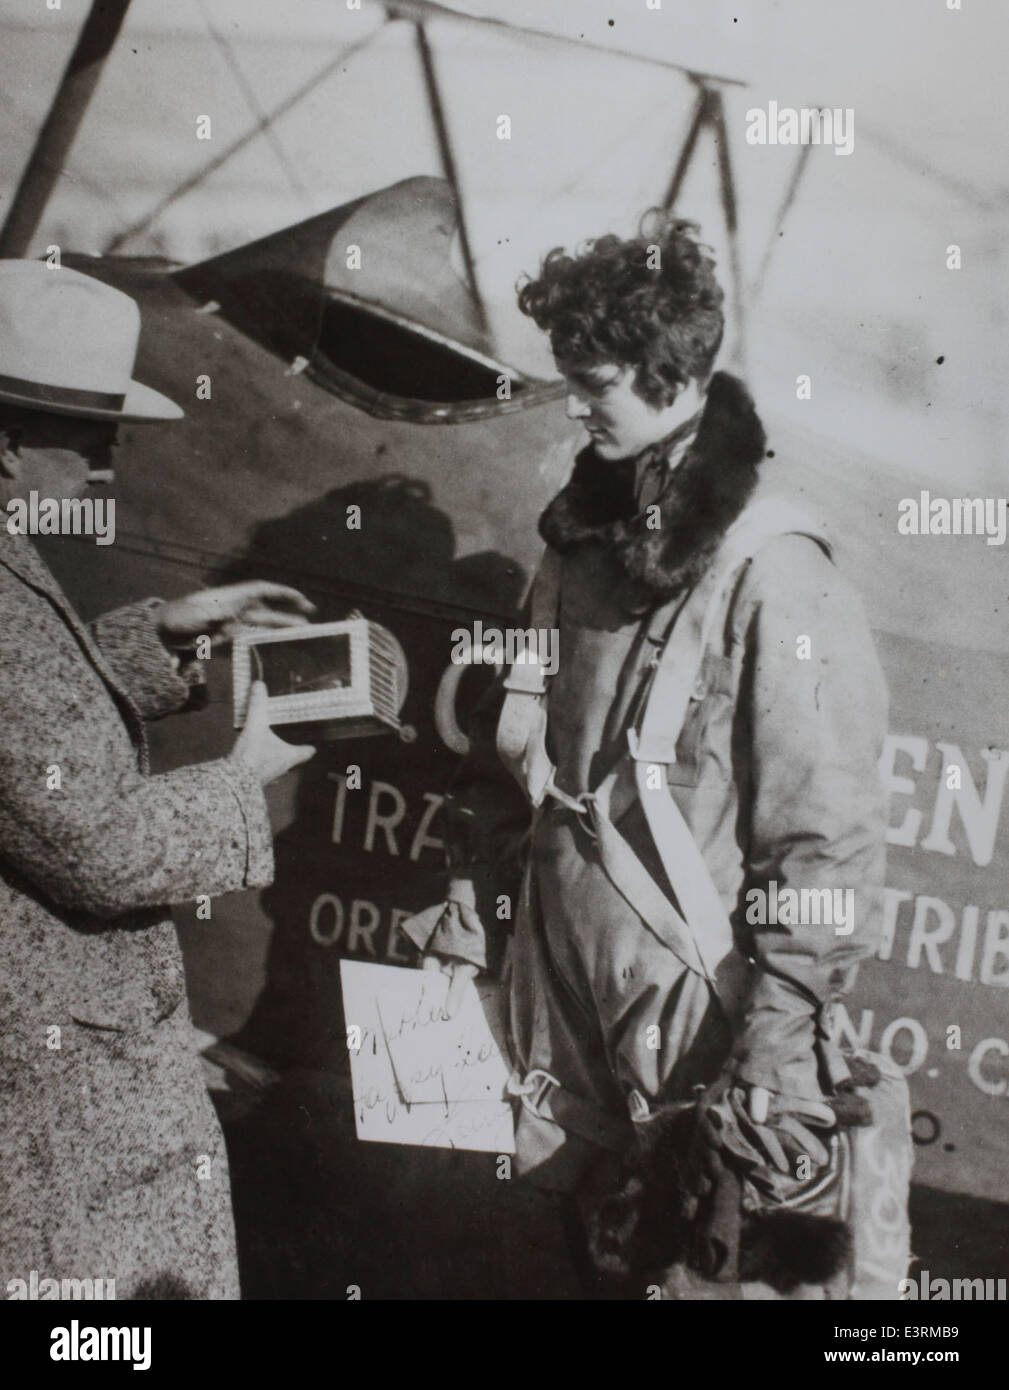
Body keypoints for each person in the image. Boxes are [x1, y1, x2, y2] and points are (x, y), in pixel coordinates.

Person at [404, 214, 891, 1294]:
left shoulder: (778, 572)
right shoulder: (570, 550)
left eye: (595, 382)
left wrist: (769, 1047)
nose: (570, 405)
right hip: (556, 1014)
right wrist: (462, 931)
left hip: (698, 1030)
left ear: (674, 372)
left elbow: (822, 847)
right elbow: (503, 777)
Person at [0, 260, 315, 1300]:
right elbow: (98, 847)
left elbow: (28, 727)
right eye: (88, 432)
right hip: (45, 1089)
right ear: (5, 440)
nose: (111, 457)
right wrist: (246, 776)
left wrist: (164, 635)